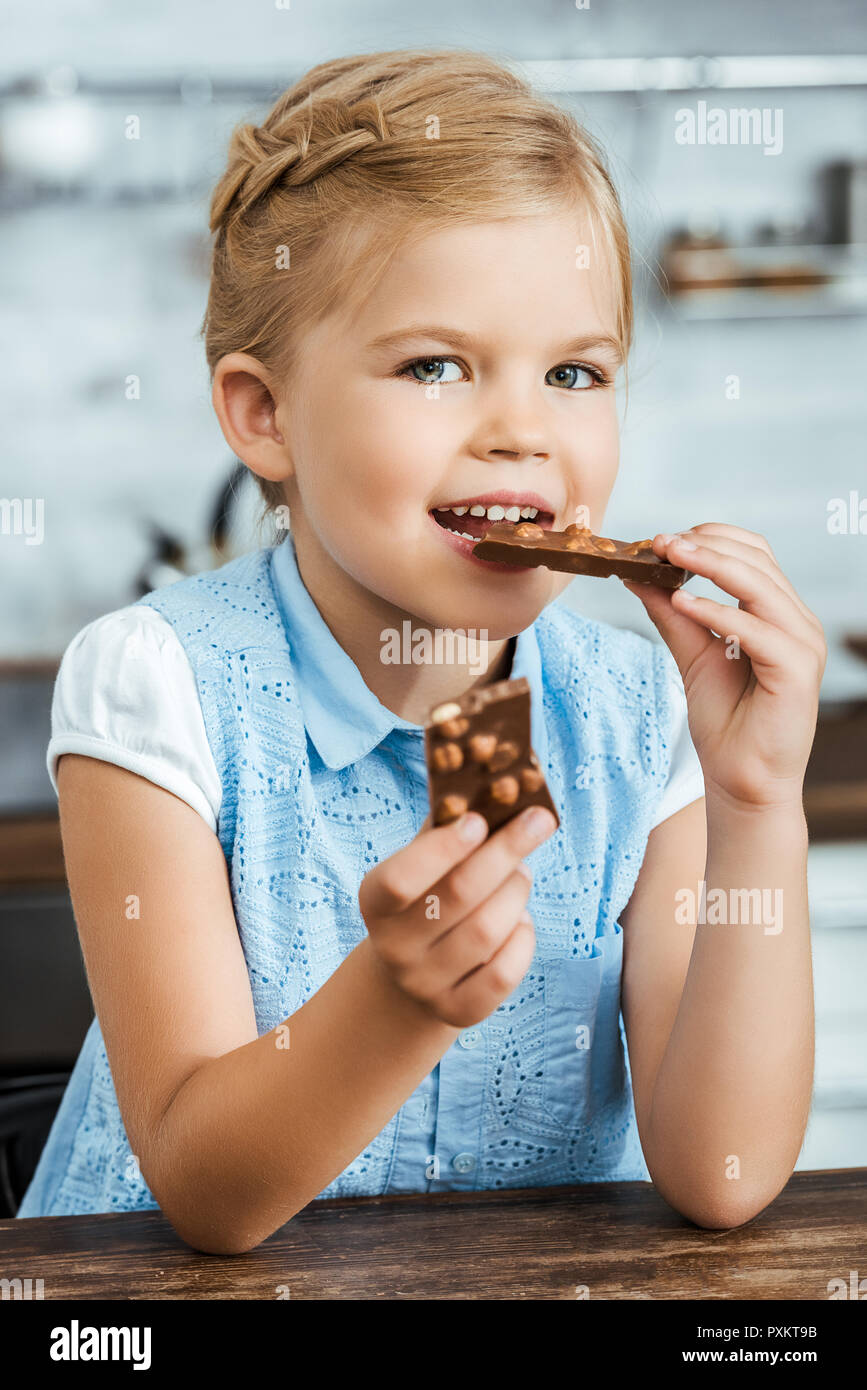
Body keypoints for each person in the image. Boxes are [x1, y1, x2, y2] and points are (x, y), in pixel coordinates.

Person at [16, 49, 825, 1254]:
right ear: (264, 414)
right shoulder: (158, 688)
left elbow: (720, 1173)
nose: (523, 429)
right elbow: (204, 1186)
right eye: (435, 366)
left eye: (574, 371)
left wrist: (759, 799)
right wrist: (392, 1006)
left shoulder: (639, 710)